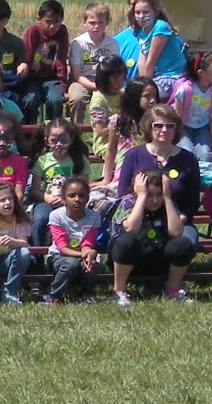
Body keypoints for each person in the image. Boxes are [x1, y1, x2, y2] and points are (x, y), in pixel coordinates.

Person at [109, 171, 196, 305]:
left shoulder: (167, 204)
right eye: (150, 195)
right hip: (128, 259)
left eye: (159, 195)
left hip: (157, 256)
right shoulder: (128, 202)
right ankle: (119, 291)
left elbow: (176, 232)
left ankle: (171, 290)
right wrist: (142, 197)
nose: (155, 200)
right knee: (127, 241)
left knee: (183, 244)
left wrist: (167, 198)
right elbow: (131, 228)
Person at [28, 118, 91, 247]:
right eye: (54, 141)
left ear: (71, 139)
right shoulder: (42, 160)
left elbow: (84, 188)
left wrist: (67, 200)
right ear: (47, 141)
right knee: (40, 218)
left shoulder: (79, 160)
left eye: (63, 140)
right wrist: (46, 197)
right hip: (47, 201)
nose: (59, 144)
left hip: (72, 202)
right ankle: (37, 254)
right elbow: (34, 190)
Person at [117, 0, 187, 96]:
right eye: (137, 13)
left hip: (171, 76)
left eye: (146, 12)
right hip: (155, 77)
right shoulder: (141, 31)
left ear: (156, 12)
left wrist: (145, 86)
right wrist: (141, 82)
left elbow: (151, 61)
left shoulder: (160, 27)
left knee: (142, 96)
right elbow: (142, 60)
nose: (141, 16)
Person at [43, 176, 100, 304]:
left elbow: (87, 242)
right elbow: (62, 247)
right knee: (72, 263)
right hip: (58, 256)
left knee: (91, 264)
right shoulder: (56, 215)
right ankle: (53, 295)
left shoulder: (94, 216)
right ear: (63, 199)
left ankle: (86, 293)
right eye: (72, 196)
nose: (77, 199)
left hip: (81, 254)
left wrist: (88, 254)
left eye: (81, 196)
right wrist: (82, 254)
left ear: (87, 198)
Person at [67, 2, 121, 122]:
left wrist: (104, 85)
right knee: (77, 99)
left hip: (106, 81)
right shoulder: (78, 43)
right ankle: (76, 131)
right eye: (92, 23)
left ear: (107, 23)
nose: (96, 26)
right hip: (82, 80)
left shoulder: (112, 44)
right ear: (84, 23)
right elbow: (76, 74)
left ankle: (106, 131)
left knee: (118, 97)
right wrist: (93, 86)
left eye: (100, 22)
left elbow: (114, 70)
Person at [17, 0, 69, 124]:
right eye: (48, 21)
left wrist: (63, 87)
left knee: (55, 99)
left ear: (62, 20)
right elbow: (27, 57)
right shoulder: (32, 32)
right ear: (39, 19)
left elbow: (61, 59)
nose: (52, 26)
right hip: (32, 78)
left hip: (51, 78)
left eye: (56, 22)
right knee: (30, 99)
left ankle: (54, 129)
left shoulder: (62, 32)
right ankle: (30, 132)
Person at [168, 51, 212, 158]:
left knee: (206, 154)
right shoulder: (184, 90)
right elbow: (178, 118)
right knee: (187, 153)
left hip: (202, 126)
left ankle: (205, 174)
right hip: (183, 127)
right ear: (201, 73)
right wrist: (176, 139)